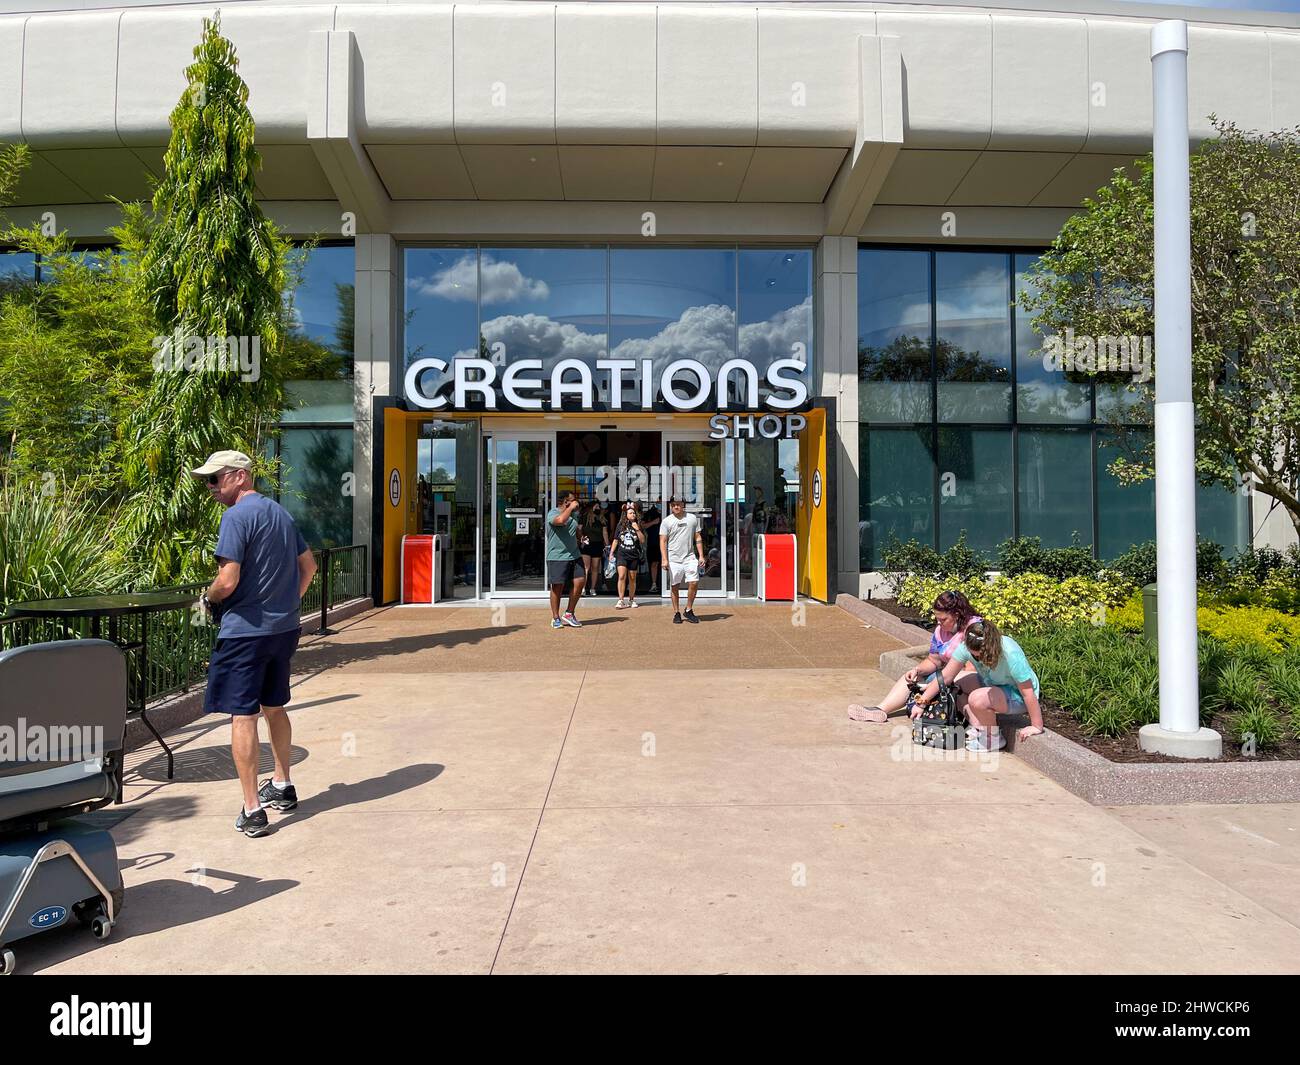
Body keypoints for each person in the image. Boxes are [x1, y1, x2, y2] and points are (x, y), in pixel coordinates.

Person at [193, 450, 317, 839]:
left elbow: (227, 580)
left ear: (240, 477)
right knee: (274, 706)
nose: (210, 488)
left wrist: (207, 598)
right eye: (208, 481)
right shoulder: (280, 513)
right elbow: (309, 566)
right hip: (282, 630)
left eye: (216, 479)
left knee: (242, 717)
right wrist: (289, 604)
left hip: (245, 632)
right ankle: (282, 784)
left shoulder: (235, 517)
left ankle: (252, 809)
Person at [848, 589, 980, 724]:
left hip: (970, 679)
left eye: (943, 619)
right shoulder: (940, 631)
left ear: (956, 615)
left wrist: (926, 697)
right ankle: (880, 709)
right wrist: (917, 670)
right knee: (913, 677)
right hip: (946, 676)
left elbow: (970, 670)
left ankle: (977, 725)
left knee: (951, 683)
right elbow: (933, 661)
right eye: (937, 619)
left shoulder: (973, 630)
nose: (938, 623)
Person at [913, 617, 1044, 753]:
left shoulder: (1011, 654)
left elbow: (1028, 692)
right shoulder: (967, 647)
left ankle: (993, 738)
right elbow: (946, 676)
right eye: (973, 656)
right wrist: (921, 703)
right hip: (992, 682)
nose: (977, 659)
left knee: (977, 699)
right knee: (956, 686)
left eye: (980, 656)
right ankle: (979, 726)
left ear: (991, 648)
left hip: (1017, 695)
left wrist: (1036, 726)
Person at [660, 496, 705, 624]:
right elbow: (663, 541)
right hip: (674, 558)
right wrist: (665, 559)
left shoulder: (692, 518)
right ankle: (676, 613)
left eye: (678, 504)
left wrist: (701, 555)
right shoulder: (666, 521)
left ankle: (688, 609)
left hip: (689, 557)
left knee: (694, 582)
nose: (676, 507)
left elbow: (697, 537)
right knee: (675, 586)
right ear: (670, 506)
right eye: (673, 504)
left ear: (683, 505)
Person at [546, 490, 585, 629]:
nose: (576, 502)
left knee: (580, 581)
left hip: (574, 554)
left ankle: (569, 613)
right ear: (565, 501)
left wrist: (581, 537)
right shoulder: (553, 513)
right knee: (558, 587)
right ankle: (555, 618)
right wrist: (570, 509)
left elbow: (574, 530)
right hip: (557, 556)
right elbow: (560, 521)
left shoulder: (574, 514)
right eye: (573, 499)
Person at [613, 500, 646, 609]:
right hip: (622, 554)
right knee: (622, 576)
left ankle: (631, 599)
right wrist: (611, 552)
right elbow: (615, 540)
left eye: (634, 513)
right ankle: (621, 600)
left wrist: (637, 529)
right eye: (630, 513)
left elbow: (642, 540)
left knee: (632, 578)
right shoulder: (620, 526)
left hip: (634, 555)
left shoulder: (638, 525)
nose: (632, 515)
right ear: (626, 515)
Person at [579, 501, 607, 596]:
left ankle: (592, 588)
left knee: (595, 568)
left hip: (598, 544)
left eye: (599, 506)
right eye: (596, 506)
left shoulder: (601, 519)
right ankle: (583, 588)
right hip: (586, 544)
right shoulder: (584, 517)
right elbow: (579, 529)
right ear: (591, 507)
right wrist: (581, 538)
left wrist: (607, 545)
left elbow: (604, 532)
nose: (598, 508)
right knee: (586, 567)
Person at [641, 501, 662, 590]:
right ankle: (654, 584)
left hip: (668, 542)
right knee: (654, 563)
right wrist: (653, 522)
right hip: (653, 542)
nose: (660, 503)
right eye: (659, 502)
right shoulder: (650, 513)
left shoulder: (670, 512)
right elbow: (642, 525)